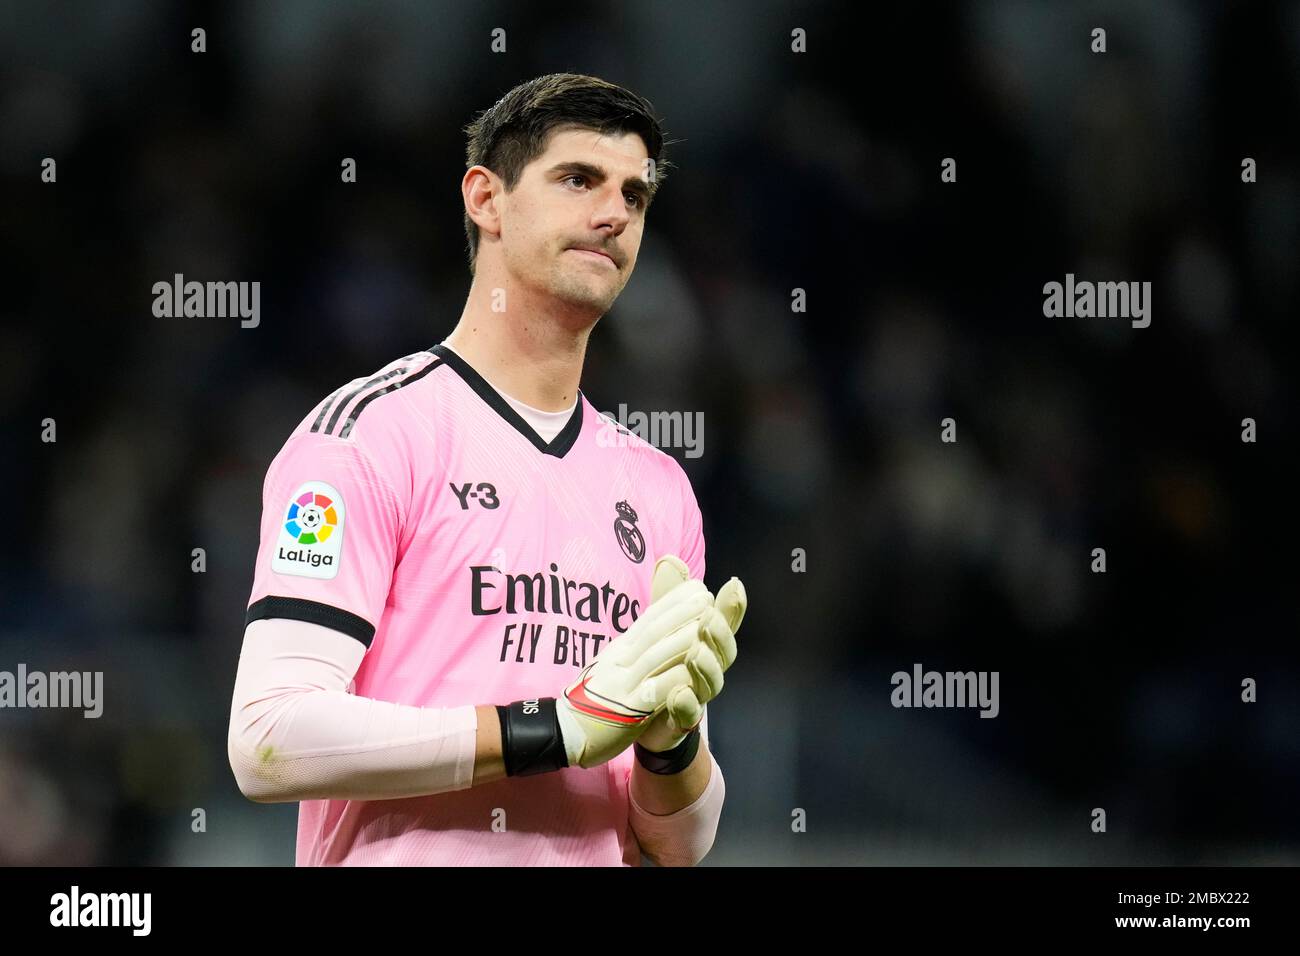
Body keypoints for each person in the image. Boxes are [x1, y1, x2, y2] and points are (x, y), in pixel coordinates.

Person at [227, 73, 745, 866]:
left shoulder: (659, 490)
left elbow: (678, 844)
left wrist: (670, 742)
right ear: (485, 199)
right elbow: (268, 737)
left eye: (635, 197)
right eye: (578, 179)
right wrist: (554, 728)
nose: (612, 214)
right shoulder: (369, 434)